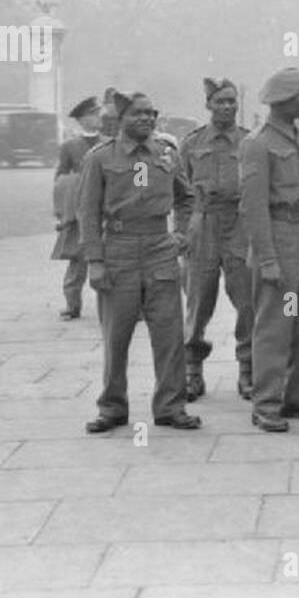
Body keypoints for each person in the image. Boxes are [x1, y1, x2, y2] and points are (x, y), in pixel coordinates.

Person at [77, 90, 200, 433]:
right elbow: (87, 212)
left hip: (160, 248)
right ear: (121, 119)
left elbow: (187, 197)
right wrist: (95, 261)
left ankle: (171, 406)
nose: (146, 119)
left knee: (169, 334)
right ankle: (112, 407)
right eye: (138, 114)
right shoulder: (99, 159)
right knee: (117, 335)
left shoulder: (166, 154)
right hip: (119, 248)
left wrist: (182, 235)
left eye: (151, 113)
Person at [240, 68, 299, 433]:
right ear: (283, 103)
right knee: (276, 325)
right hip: (278, 239)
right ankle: (266, 403)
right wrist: (268, 259)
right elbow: (254, 207)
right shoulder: (258, 144)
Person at [180, 77, 253, 403]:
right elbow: (179, 193)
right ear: (208, 105)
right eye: (220, 101)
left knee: (247, 299)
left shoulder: (250, 142)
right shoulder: (192, 143)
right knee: (198, 300)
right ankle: (192, 372)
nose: (227, 106)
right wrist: (182, 233)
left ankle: (248, 370)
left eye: (231, 101)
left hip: (239, 222)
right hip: (204, 222)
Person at [52, 96, 103, 319]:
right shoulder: (70, 146)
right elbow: (61, 179)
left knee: (117, 259)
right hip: (80, 213)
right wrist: (62, 213)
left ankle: (126, 306)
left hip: (108, 209)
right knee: (77, 261)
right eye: (93, 115)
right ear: (82, 120)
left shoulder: (111, 141)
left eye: (97, 113)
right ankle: (73, 305)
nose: (97, 118)